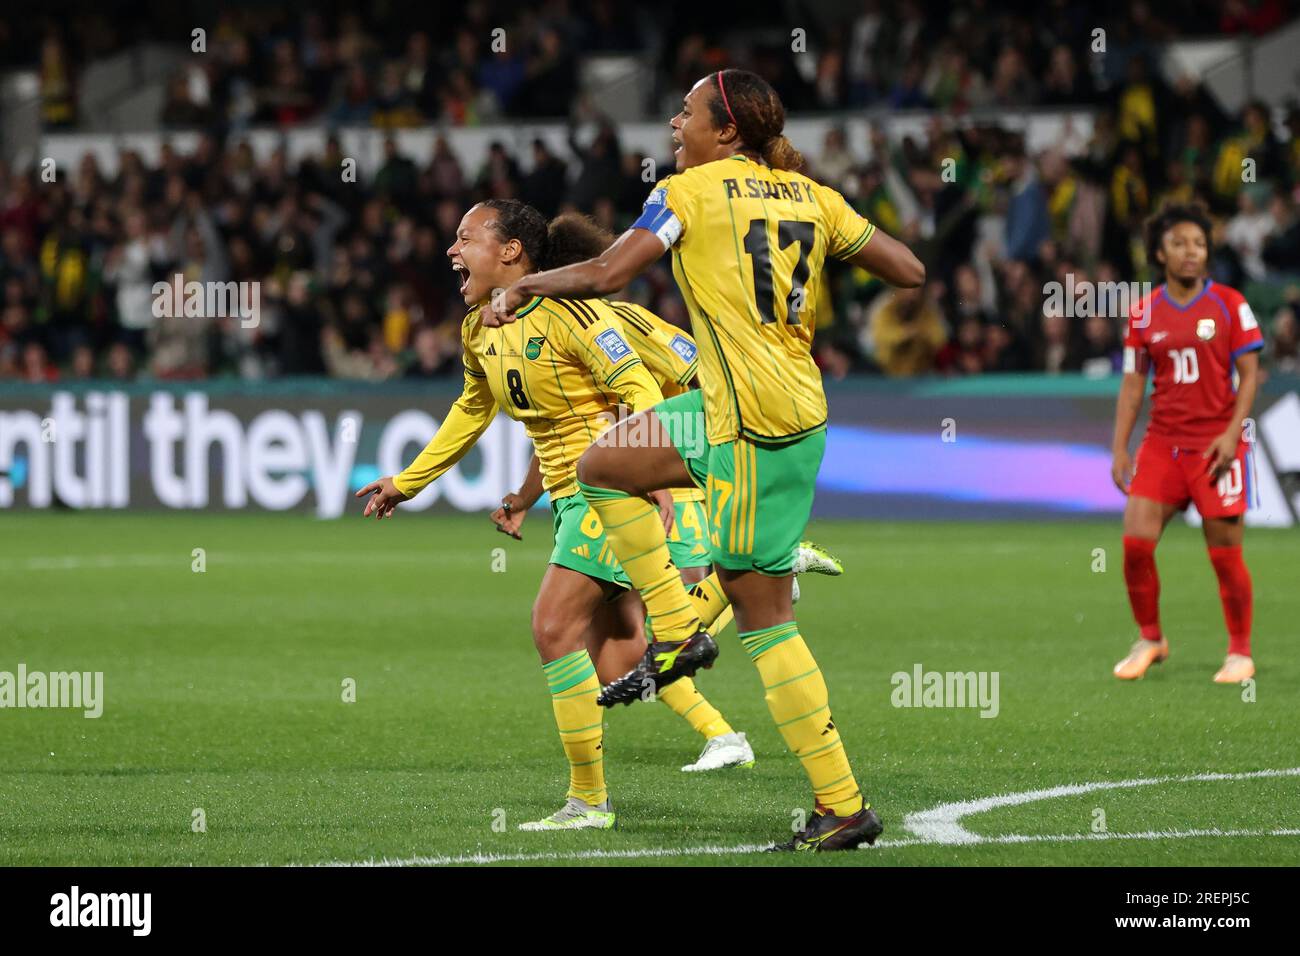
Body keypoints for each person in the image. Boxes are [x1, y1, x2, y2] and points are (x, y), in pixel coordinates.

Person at [488, 69, 924, 851]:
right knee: (603, 466)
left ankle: (842, 804)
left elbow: (608, 272)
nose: (672, 125)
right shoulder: (811, 194)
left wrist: (530, 288)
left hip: (760, 424)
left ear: (725, 130)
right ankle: (678, 630)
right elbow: (909, 270)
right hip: (737, 403)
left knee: (764, 615)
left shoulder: (686, 194)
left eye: (684, 113)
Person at [357, 201, 764, 831]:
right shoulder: (478, 330)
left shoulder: (574, 314)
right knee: (620, 658)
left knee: (553, 627)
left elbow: (638, 387)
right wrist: (409, 483)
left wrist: (646, 470)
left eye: (465, 238)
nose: (451, 250)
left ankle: (588, 802)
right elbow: (472, 409)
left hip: (607, 491)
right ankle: (754, 592)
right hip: (572, 498)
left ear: (512, 252)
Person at [1111, 202, 1263, 685]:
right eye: (1179, 243)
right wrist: (1120, 447)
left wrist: (1231, 432)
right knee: (1135, 544)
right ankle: (1150, 637)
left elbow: (1251, 373)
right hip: (1163, 444)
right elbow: (1134, 384)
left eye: (1198, 243)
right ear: (1160, 252)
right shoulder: (1143, 313)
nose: (1190, 252)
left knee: (1224, 554)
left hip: (1216, 446)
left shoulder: (1230, 303)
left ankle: (1239, 652)